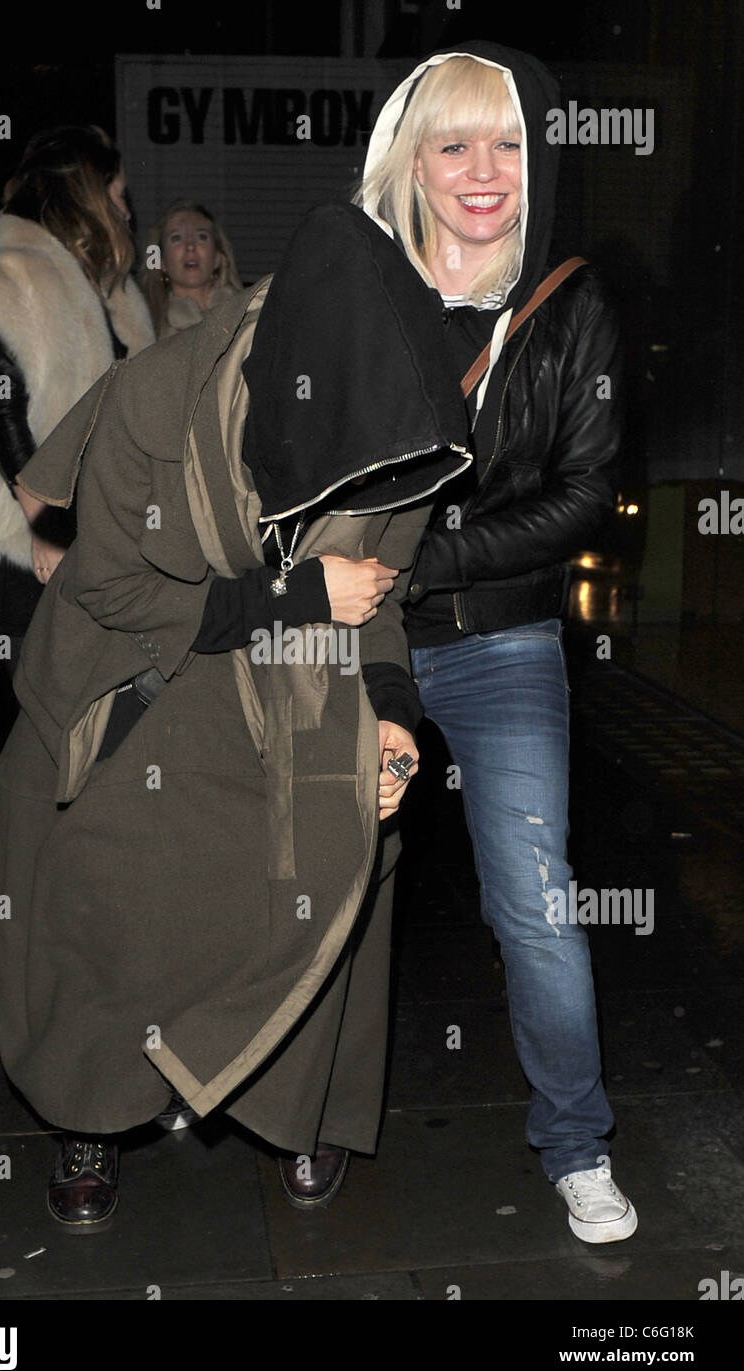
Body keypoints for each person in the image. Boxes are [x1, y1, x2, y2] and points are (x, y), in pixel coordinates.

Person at [0, 190, 475, 1227]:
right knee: (109, 879)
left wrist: (393, 716)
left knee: (335, 859)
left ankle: (298, 1115)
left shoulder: (394, 422)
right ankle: (88, 1111)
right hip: (135, 660)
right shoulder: (157, 395)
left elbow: (375, 608)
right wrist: (296, 592)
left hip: (294, 668)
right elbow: (108, 588)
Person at [358, 42, 636, 1244]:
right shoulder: (357, 291)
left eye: (509, 142)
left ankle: (575, 1144)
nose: (483, 171)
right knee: (320, 885)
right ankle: (302, 1116)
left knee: (535, 900)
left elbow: (582, 495)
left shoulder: (574, 305)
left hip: (503, 642)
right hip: (355, 633)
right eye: (454, 143)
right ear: (408, 162)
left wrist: (432, 561)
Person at [0, 125, 154, 668]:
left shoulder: (106, 296)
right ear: (89, 194)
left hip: (92, 544)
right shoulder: (13, 277)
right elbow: (3, 411)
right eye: (119, 196)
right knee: (60, 733)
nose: (126, 214)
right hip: (30, 550)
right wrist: (47, 530)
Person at [141, 199, 242, 339]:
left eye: (201, 236)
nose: (190, 246)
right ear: (161, 261)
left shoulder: (246, 317)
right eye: (176, 238)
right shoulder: (146, 328)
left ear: (218, 257)